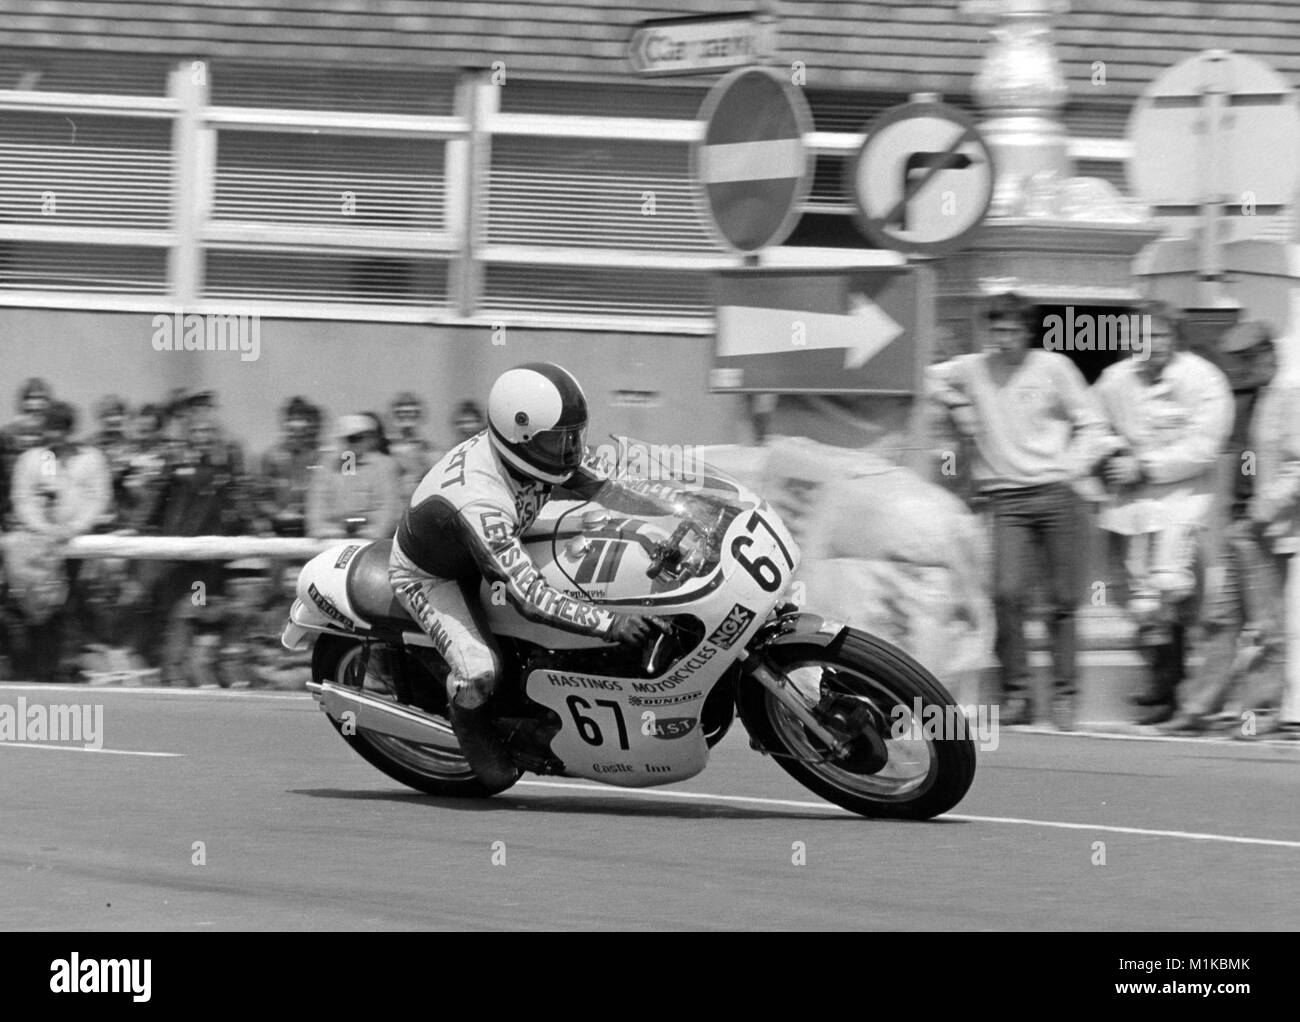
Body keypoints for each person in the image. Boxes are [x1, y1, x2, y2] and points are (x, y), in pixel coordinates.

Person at [389, 363, 669, 787]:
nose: (569, 452)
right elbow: (528, 597)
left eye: (574, 437)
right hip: (434, 576)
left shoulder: (540, 456)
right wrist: (613, 624)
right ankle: (467, 722)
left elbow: (615, 487)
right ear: (517, 437)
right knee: (481, 673)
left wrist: (683, 514)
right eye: (557, 442)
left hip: (497, 545)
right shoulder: (479, 498)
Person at [925, 291, 1111, 729]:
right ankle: (1018, 693)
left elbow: (1092, 422)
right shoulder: (973, 368)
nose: (1003, 339)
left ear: (1027, 332)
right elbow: (926, 375)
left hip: (1056, 493)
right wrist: (957, 403)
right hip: (1006, 497)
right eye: (996, 330)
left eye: (1011, 330)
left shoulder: (1054, 367)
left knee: (1064, 601)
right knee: (1006, 594)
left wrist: (1071, 466)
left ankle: (1065, 695)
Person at [1092, 300, 1233, 725]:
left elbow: (1204, 447)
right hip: (1131, 507)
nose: (1151, 344)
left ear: (1175, 337)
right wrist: (1110, 455)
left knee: (1174, 592)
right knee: (1141, 602)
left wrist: (1147, 466)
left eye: (1161, 335)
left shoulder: (1203, 380)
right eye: (1143, 335)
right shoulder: (1115, 380)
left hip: (1182, 504)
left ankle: (1178, 691)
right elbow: (1093, 424)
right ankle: (1164, 688)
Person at [1161, 322, 1286, 734]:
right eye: (1238, 362)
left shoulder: (1289, 393)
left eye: (1249, 360)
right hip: (1239, 522)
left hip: (1267, 526)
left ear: (1269, 354)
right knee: (1220, 621)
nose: (1242, 369)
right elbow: (1234, 461)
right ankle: (1196, 707)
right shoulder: (1247, 398)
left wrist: (1263, 511)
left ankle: (1259, 713)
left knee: (1266, 625)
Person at [8, 401, 112, 681]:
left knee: (76, 604)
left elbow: (98, 498)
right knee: (39, 608)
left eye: (59, 430)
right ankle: (38, 671)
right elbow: (23, 499)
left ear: (69, 430)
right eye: (49, 430)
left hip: (79, 547)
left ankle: (69, 668)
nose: (54, 437)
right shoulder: (33, 459)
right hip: (39, 550)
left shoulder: (91, 458)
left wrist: (74, 528)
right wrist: (44, 528)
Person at [306, 414, 402, 540]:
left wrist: (373, 533)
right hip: (332, 538)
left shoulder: (384, 466)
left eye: (357, 438)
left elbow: (387, 508)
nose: (350, 443)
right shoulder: (327, 466)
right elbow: (317, 506)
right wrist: (321, 531)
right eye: (348, 438)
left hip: (371, 540)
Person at [388, 392, 440, 502]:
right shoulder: (386, 448)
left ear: (419, 416)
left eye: (411, 413)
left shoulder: (431, 451)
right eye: (400, 413)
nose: (406, 417)